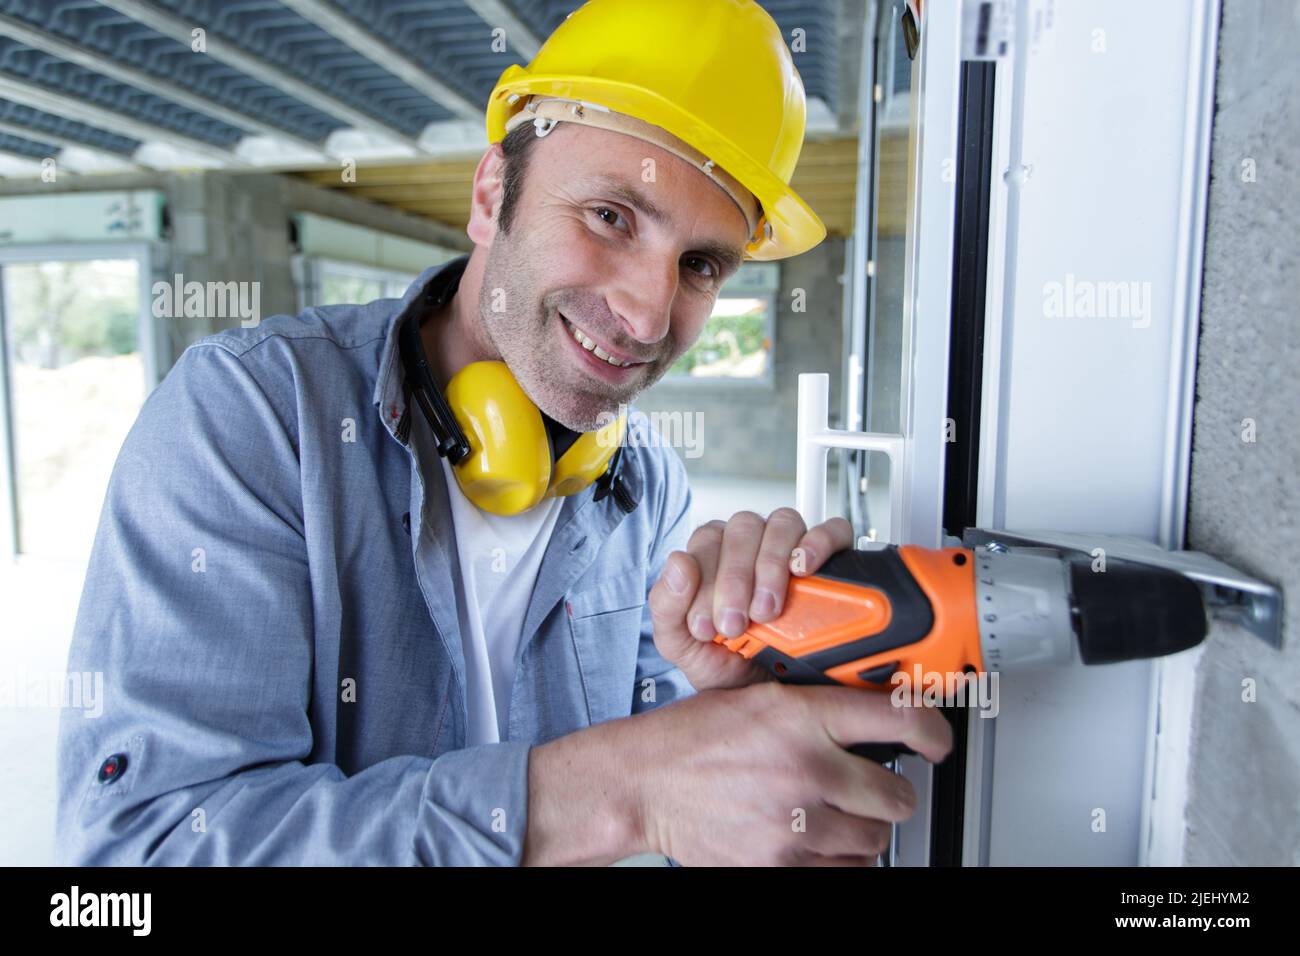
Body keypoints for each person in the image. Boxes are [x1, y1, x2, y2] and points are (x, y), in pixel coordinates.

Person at [55, 0, 951, 867]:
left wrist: (740, 724)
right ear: (492, 194)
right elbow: (145, 849)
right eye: (610, 217)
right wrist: (625, 789)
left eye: (701, 265)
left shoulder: (645, 487)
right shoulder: (253, 417)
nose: (647, 315)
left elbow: (673, 814)